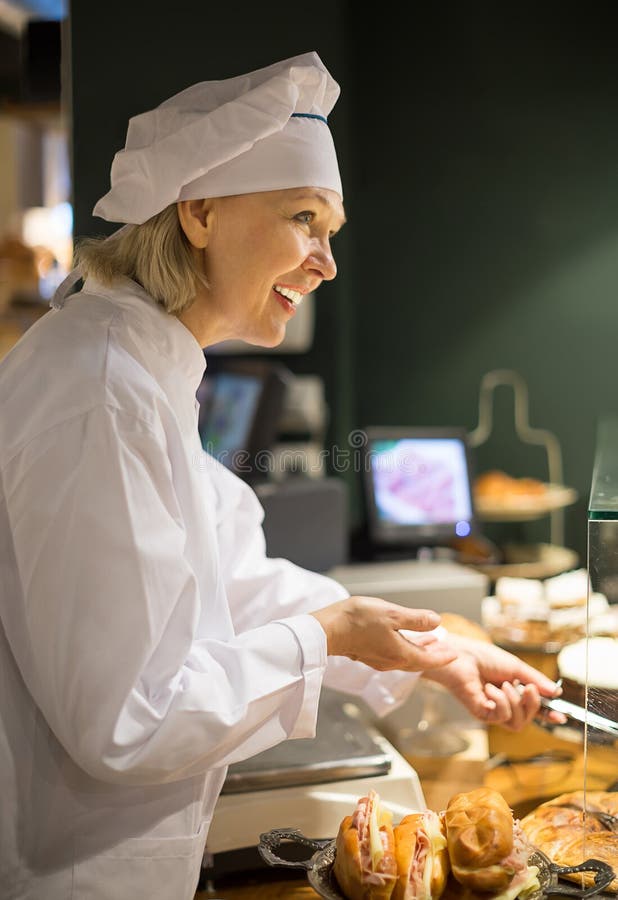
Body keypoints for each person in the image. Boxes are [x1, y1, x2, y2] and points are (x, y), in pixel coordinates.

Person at [0, 51, 561, 900]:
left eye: (330, 231)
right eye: (305, 219)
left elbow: (227, 584)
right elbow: (127, 720)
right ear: (198, 211)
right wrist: (329, 635)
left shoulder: (141, 369)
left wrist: (434, 649)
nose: (325, 263)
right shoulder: (102, 393)